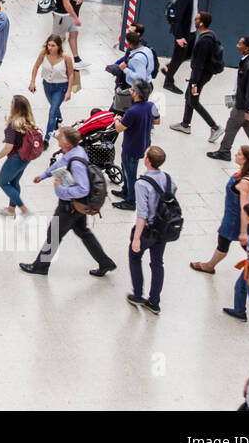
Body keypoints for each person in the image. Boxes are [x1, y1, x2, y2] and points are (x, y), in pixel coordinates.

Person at [19, 126, 116, 278]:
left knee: (54, 234)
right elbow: (61, 164)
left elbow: (83, 188)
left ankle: (41, 266)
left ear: (67, 143)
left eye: (60, 137)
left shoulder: (76, 163)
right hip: (77, 206)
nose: (58, 138)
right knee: (83, 232)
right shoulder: (75, 151)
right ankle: (105, 263)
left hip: (69, 206)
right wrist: (44, 175)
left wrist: (61, 191)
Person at [191, 146, 249, 274]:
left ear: (246, 160)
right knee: (231, 243)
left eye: (240, 154)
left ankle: (210, 266)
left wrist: (243, 232)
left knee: (233, 242)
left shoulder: (245, 182)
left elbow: (244, 207)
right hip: (234, 216)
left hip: (236, 219)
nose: (236, 155)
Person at [125, 145, 173, 315]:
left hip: (147, 229)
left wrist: (137, 238)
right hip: (163, 227)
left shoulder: (142, 184)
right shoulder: (168, 178)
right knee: (157, 263)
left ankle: (138, 293)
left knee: (135, 256)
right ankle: (154, 301)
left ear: (147, 161)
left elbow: (142, 214)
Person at [208, 33, 249, 162]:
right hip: (243, 99)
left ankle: (224, 152)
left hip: (244, 104)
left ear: (246, 48)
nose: (237, 45)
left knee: (232, 124)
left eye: (240, 43)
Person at [169, 11, 222, 141]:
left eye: (197, 19)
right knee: (188, 97)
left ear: (202, 23)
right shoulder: (209, 35)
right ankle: (185, 124)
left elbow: (199, 64)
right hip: (199, 75)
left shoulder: (205, 41)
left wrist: (194, 82)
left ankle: (215, 127)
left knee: (193, 100)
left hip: (200, 76)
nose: (195, 20)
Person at [113, 80, 160, 210]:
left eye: (132, 90)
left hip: (130, 146)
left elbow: (119, 128)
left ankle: (130, 201)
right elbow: (157, 121)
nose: (131, 91)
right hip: (144, 143)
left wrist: (117, 119)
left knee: (130, 173)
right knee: (127, 168)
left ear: (136, 93)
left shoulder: (132, 111)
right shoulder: (151, 106)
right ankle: (125, 190)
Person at [0, 95, 39, 216]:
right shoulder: (29, 121)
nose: (10, 104)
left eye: (12, 102)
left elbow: (8, 147)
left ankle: (24, 209)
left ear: (16, 107)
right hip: (26, 157)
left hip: (16, 158)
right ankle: (11, 209)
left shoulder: (12, 125)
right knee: (14, 182)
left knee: (2, 182)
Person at [162, 0, 205, 93]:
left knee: (187, 54)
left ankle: (168, 68)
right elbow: (178, 19)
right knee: (178, 57)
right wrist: (179, 37)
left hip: (191, 31)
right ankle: (168, 82)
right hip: (183, 34)